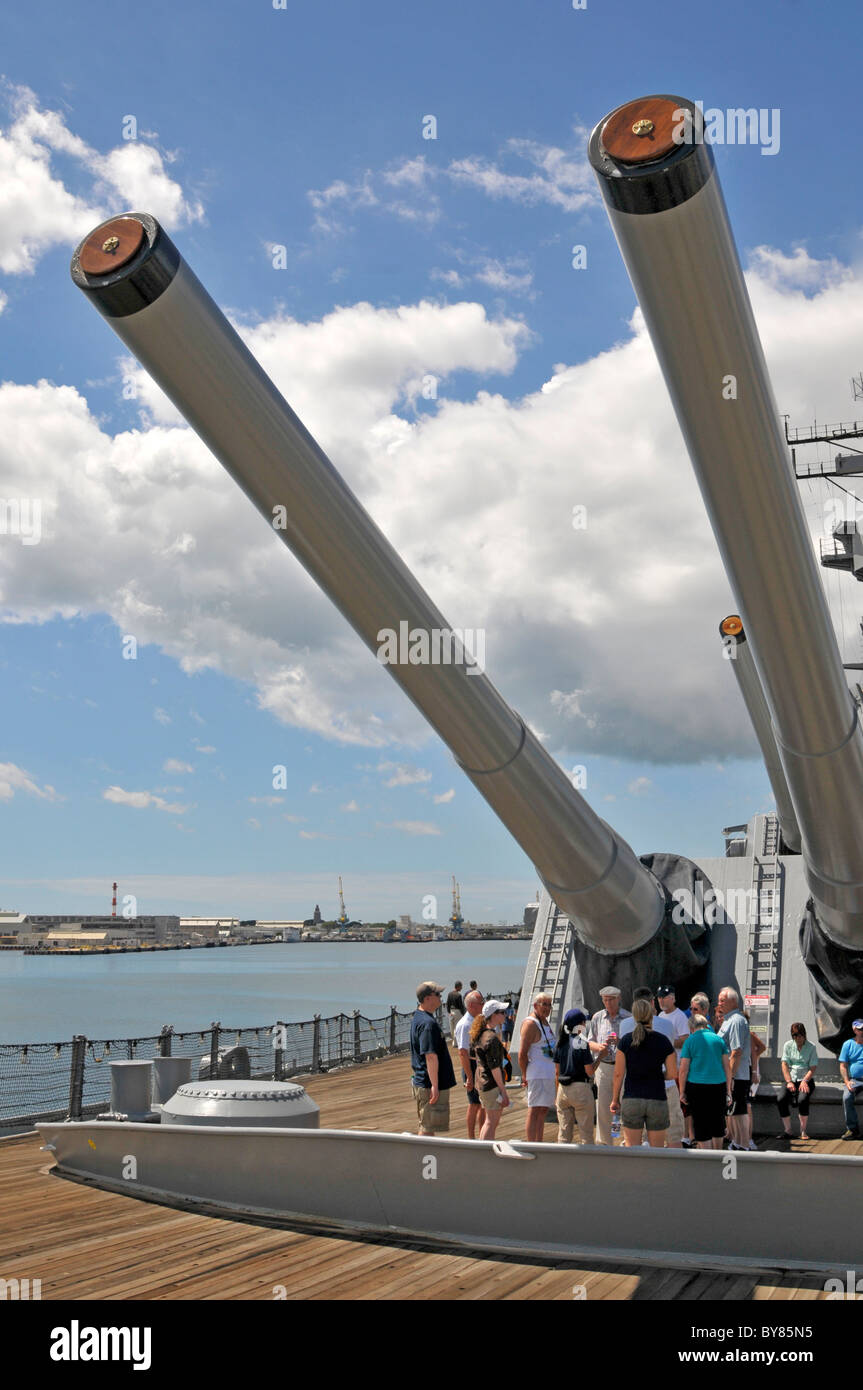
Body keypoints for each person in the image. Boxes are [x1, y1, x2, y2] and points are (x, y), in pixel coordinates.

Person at [620, 988, 683, 1148]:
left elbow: (619, 1071)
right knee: (672, 1138)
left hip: (632, 1091)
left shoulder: (624, 1026)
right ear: (652, 1003)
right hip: (663, 1090)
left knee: (632, 1145)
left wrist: (615, 1099)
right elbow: (671, 1070)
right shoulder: (667, 1026)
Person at [587, 986, 632, 1145]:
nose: (608, 1003)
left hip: (623, 1067)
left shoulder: (628, 1018)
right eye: (605, 1000)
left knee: (623, 1105)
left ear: (619, 998)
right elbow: (589, 1041)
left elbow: (635, 1044)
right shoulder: (597, 1017)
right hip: (604, 1067)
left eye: (611, 999)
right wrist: (599, 1048)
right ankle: (605, 1142)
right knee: (604, 1106)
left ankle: (621, 1138)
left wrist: (621, 1043)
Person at [409, 981, 456, 1136]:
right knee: (427, 1128)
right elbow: (430, 1056)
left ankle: (424, 1156)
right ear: (428, 998)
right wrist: (435, 1086)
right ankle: (420, 1158)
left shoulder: (419, 1017)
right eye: (438, 994)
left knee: (428, 1127)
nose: (441, 997)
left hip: (425, 1081)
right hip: (429, 1084)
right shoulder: (427, 1024)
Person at [679, 1014, 732, 1149]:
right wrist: (729, 1090)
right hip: (718, 1085)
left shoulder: (690, 1041)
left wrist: (682, 1091)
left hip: (696, 1086)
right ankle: (718, 1153)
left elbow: (684, 1069)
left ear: (691, 1027)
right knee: (718, 1120)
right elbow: (727, 1066)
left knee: (701, 1122)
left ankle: (706, 1154)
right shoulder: (718, 1040)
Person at [518, 993, 557, 1142]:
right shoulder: (530, 1024)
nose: (547, 1008)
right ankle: (531, 1143)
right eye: (544, 1004)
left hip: (548, 1073)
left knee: (543, 1110)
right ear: (535, 1006)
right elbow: (522, 1054)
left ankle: (539, 1142)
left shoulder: (544, 1022)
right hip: (537, 1074)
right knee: (534, 1109)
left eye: (549, 1004)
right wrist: (524, 1074)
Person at [470, 1000, 511, 1140]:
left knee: (489, 1121)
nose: (505, 1015)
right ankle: (485, 1154)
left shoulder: (481, 1034)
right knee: (491, 1122)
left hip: (482, 1083)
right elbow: (495, 1068)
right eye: (502, 1012)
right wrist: (503, 1091)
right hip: (491, 1084)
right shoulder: (491, 1038)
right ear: (493, 1015)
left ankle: (483, 1150)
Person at [553, 1008, 595, 1144]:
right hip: (580, 1089)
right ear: (580, 1024)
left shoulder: (560, 1043)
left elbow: (557, 1071)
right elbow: (589, 1071)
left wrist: (556, 1094)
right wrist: (601, 1057)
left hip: (562, 1090)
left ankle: (562, 1162)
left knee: (563, 1134)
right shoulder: (582, 1042)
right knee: (586, 1134)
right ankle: (587, 1164)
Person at [717, 987, 751, 1150]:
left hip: (736, 1075)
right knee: (734, 1111)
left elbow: (736, 1052)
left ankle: (743, 1144)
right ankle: (738, 1142)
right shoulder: (729, 1020)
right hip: (732, 1075)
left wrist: (729, 1078)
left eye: (722, 1000)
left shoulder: (736, 1021)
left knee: (739, 1109)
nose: (719, 1003)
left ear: (733, 1001)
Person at [777, 1022, 818, 1142]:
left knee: (802, 1099)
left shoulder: (811, 1047)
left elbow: (813, 1067)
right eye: (794, 1036)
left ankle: (803, 1130)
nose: (797, 1039)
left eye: (799, 1036)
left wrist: (805, 1080)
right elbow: (784, 1064)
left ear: (804, 1035)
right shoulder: (788, 1045)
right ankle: (788, 1130)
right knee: (781, 1099)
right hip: (792, 1077)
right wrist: (788, 1081)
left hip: (806, 1078)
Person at [454, 989, 484, 1138]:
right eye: (481, 1003)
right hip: (471, 1066)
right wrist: (470, 1077)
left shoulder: (478, 1020)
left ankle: (483, 1135)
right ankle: (471, 1137)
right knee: (474, 1104)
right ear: (471, 1005)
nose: (483, 1005)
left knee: (483, 1104)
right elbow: (463, 1053)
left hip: (480, 1064)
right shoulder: (465, 1025)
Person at [839, 1019, 863, 1139]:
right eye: (860, 1029)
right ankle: (853, 1129)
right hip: (855, 1080)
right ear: (854, 1030)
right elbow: (843, 1065)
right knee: (847, 1097)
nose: (862, 1031)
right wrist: (847, 1082)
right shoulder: (848, 1044)